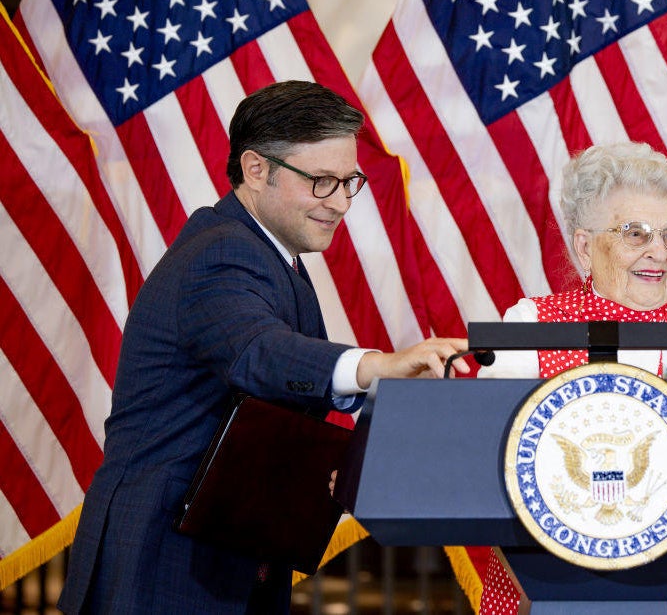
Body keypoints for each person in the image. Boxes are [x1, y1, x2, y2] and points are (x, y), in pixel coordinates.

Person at [58, 81, 468, 615]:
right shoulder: (222, 250)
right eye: (322, 181)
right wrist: (377, 366)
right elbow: (260, 354)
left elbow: (286, 389)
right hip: (165, 566)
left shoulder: (275, 258)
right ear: (256, 169)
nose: (342, 203)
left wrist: (388, 392)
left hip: (229, 555)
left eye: (350, 182)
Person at [477, 141, 667, 615]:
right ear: (585, 246)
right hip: (543, 586)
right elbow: (482, 453)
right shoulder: (532, 326)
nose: (660, 253)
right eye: (635, 234)